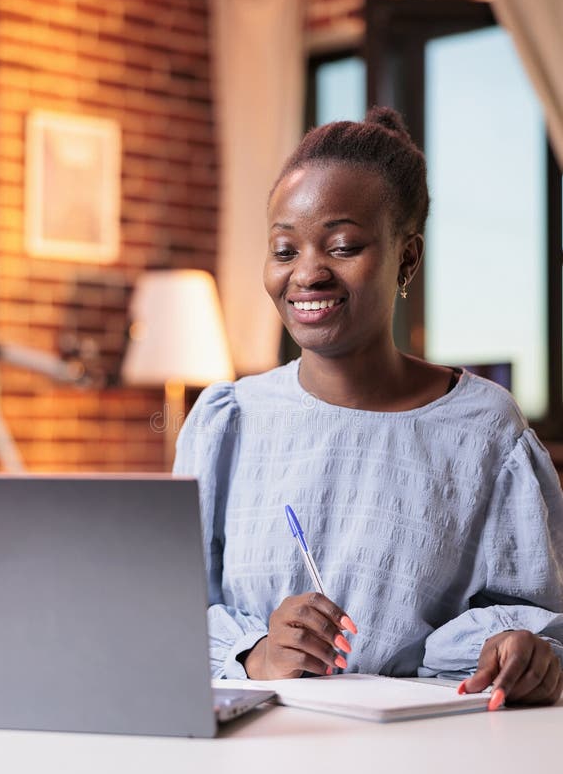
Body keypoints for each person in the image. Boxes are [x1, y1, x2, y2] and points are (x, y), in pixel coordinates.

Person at [174, 107, 563, 708]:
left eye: (343, 245)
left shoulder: (485, 429)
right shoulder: (229, 420)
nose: (308, 272)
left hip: (428, 749)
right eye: (284, 250)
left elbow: (537, 618)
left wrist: (518, 648)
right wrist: (257, 652)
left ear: (406, 259)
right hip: (254, 758)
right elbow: (167, 615)